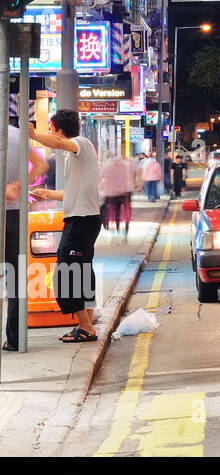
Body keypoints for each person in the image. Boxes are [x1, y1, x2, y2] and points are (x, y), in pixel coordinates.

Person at [29, 110, 101, 344]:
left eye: (51, 129)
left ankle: (86, 327)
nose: (50, 134)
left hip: (81, 221)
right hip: (81, 219)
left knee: (67, 274)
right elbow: (72, 192)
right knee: (80, 273)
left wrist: (35, 136)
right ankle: (85, 325)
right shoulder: (76, 156)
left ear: (58, 130)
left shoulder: (82, 144)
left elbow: (60, 143)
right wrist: (46, 193)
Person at [3, 121, 49, 352]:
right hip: (16, 215)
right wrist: (18, 185)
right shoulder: (17, 135)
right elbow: (41, 165)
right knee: (16, 279)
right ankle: (15, 338)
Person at [98, 152, 133, 233]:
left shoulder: (106, 166)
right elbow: (127, 177)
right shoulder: (124, 165)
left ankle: (107, 223)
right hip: (121, 192)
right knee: (119, 209)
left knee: (107, 208)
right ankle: (121, 225)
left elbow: (101, 177)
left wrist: (101, 187)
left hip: (110, 192)